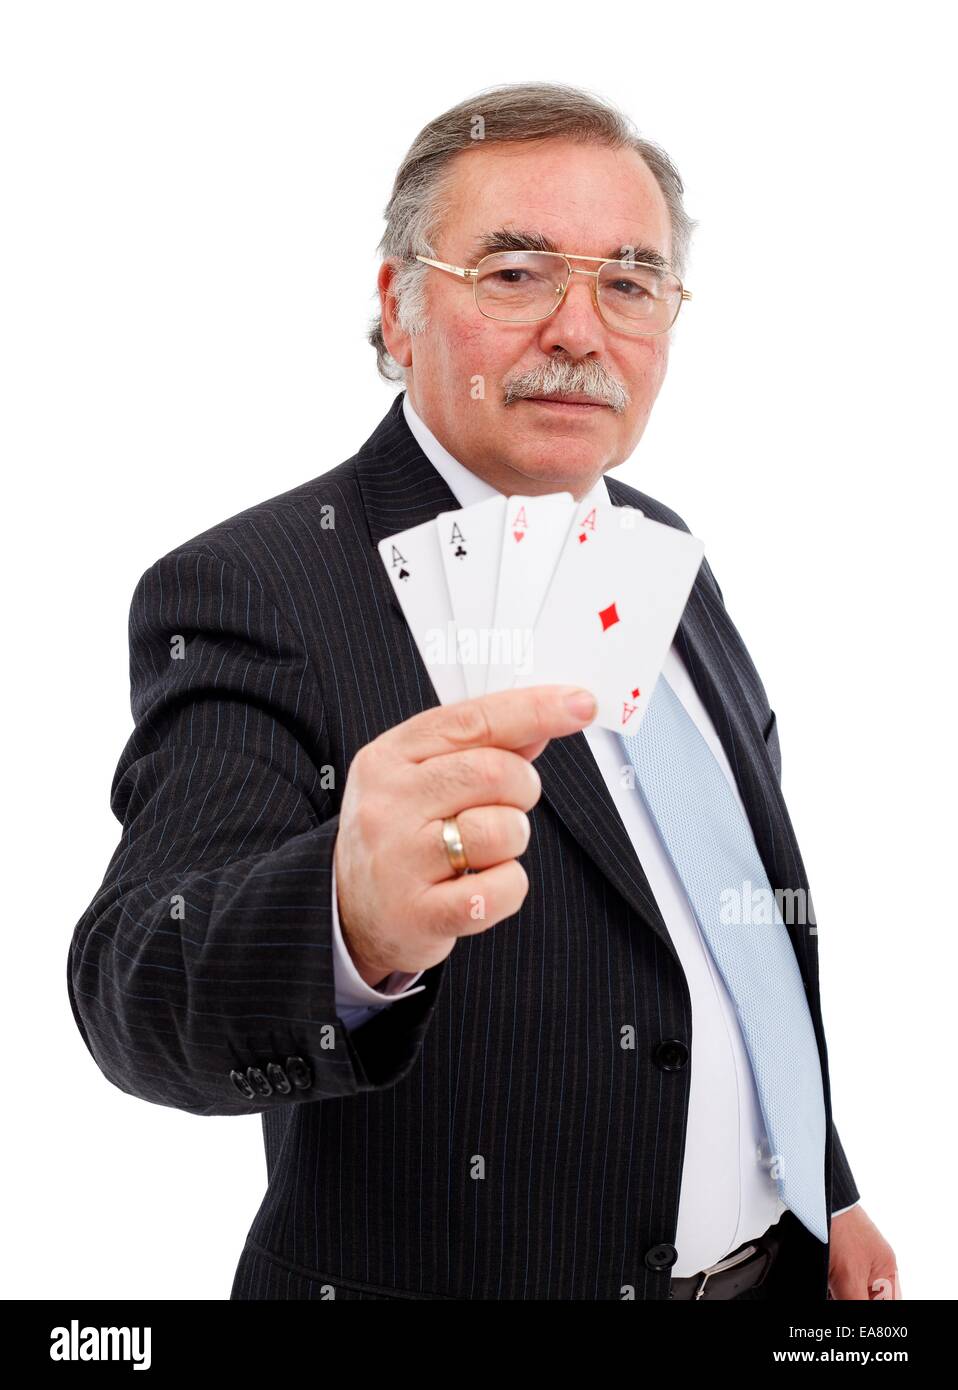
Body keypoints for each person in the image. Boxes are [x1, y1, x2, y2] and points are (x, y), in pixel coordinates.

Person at [68, 81, 899, 1301]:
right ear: (399, 309)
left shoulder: (666, 552)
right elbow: (136, 982)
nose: (580, 328)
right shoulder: (253, 585)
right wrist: (346, 918)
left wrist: (821, 1187)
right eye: (514, 274)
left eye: (627, 281)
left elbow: (734, 921)